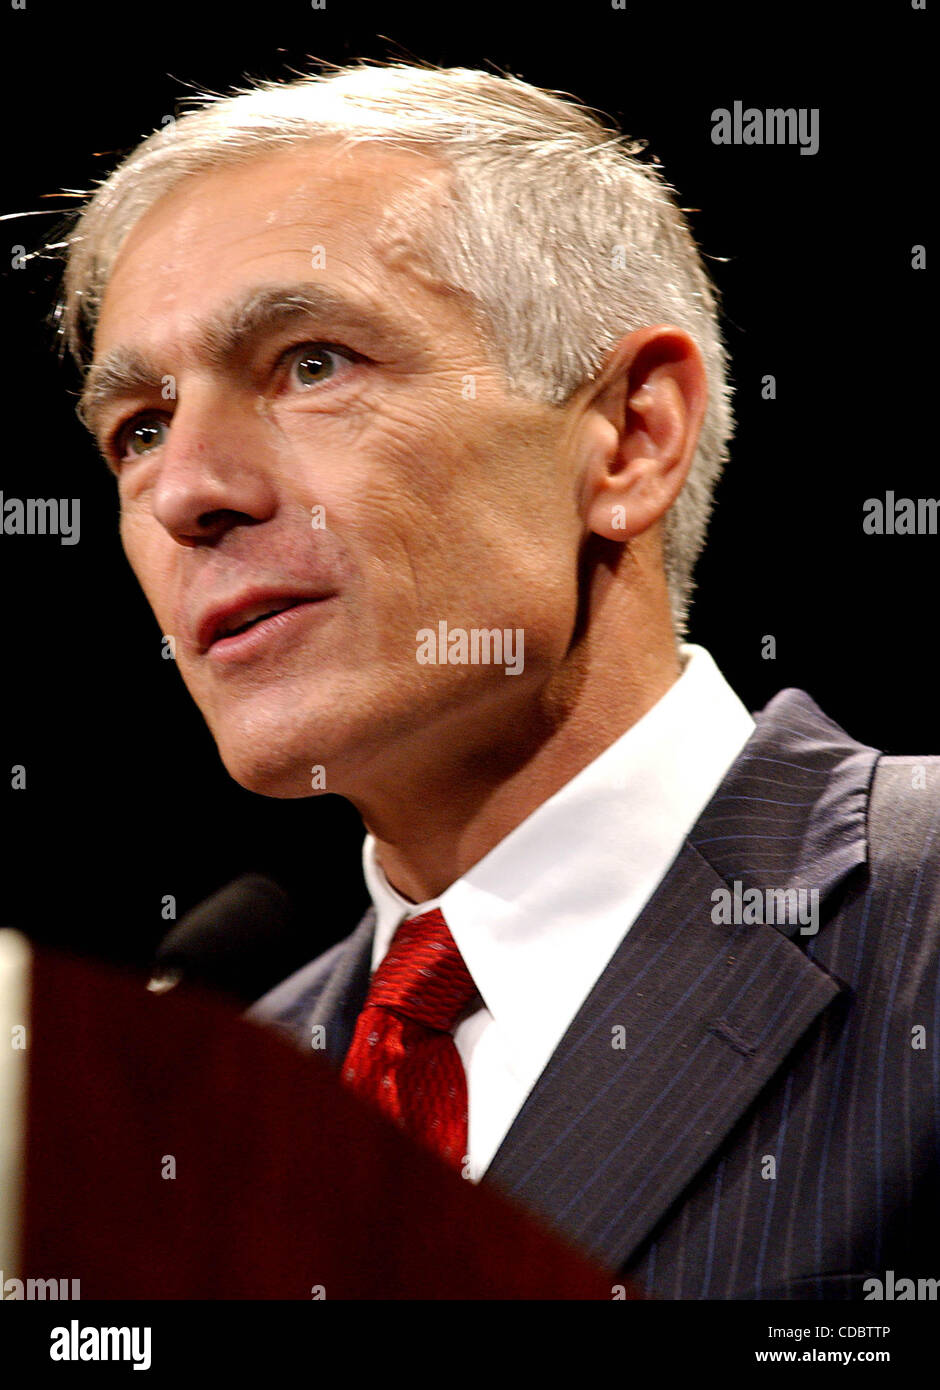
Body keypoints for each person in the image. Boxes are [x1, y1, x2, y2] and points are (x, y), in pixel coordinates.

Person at [57, 59, 939, 1299]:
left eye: (311, 364)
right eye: (139, 428)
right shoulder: (205, 1113)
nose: (189, 490)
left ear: (630, 436)